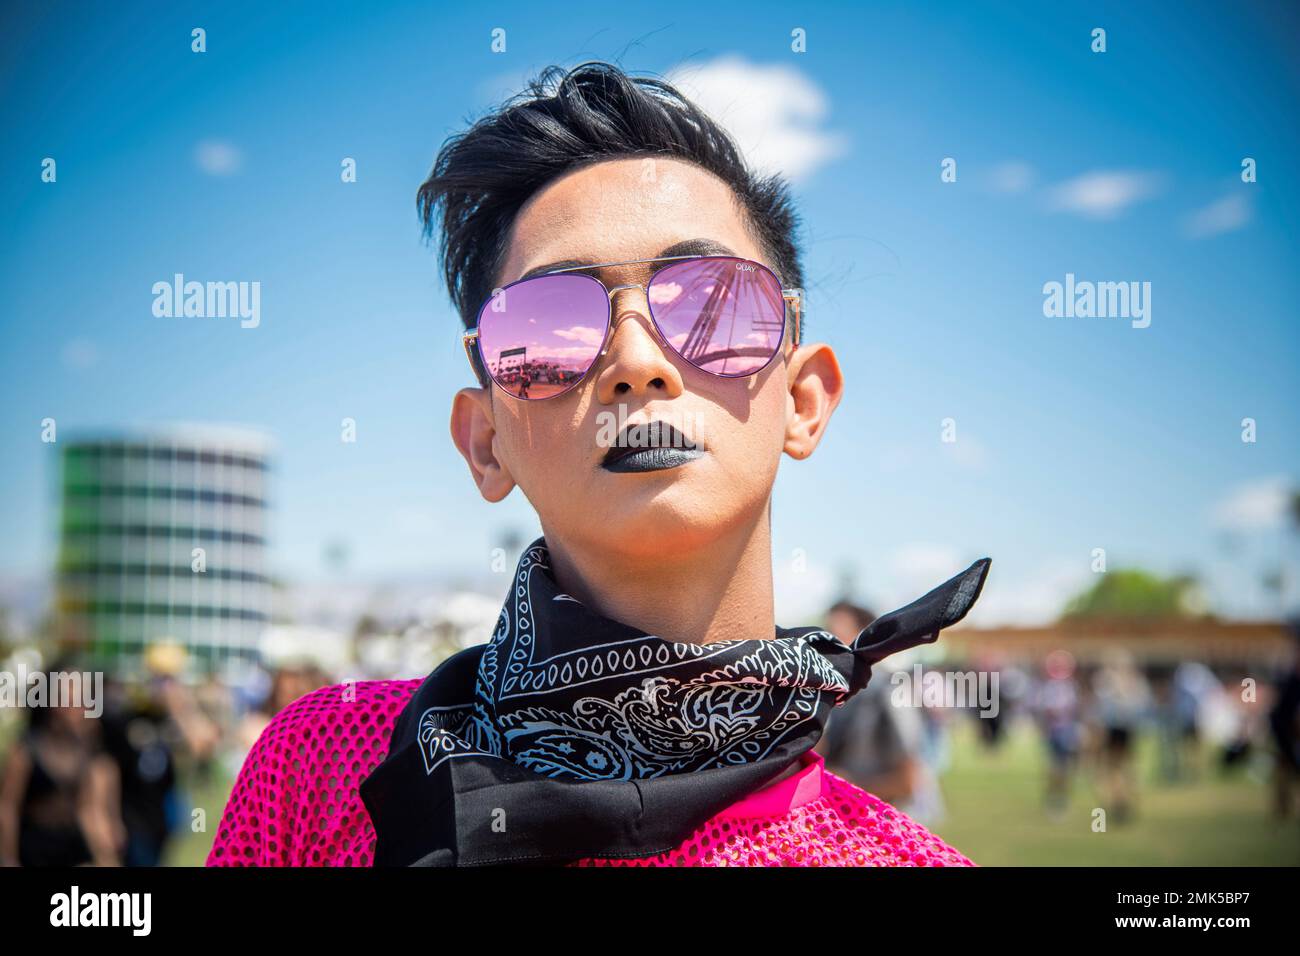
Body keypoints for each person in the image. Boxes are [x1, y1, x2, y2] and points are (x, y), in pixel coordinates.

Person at [208, 62, 991, 868]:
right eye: (546, 331)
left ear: (803, 401)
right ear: (486, 443)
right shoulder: (325, 766)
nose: (636, 358)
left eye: (712, 303)